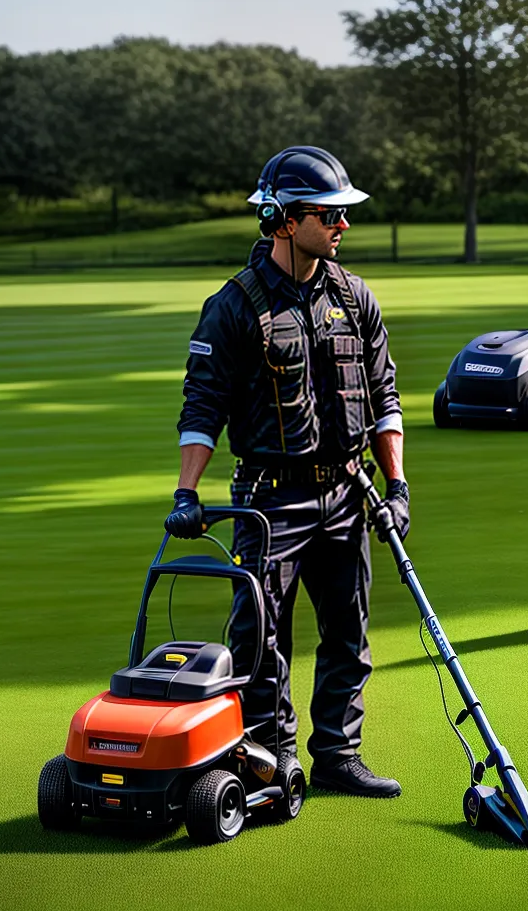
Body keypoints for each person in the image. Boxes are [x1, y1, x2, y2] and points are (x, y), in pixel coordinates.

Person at [164, 146, 408, 797]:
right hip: (269, 500)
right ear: (283, 220)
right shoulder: (234, 306)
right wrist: (186, 493)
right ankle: (272, 759)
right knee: (261, 638)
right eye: (329, 214)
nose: (343, 225)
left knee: (349, 634)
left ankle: (337, 756)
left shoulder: (354, 297)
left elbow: (384, 397)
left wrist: (397, 486)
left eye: (342, 214)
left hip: (348, 493)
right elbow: (202, 406)